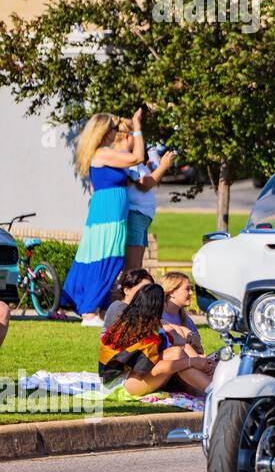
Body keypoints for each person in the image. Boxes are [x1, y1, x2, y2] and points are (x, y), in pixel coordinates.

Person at [62, 111, 145, 326]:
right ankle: (89, 311)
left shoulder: (105, 154)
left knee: (109, 260)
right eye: (114, 129)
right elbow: (137, 157)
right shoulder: (102, 154)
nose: (117, 133)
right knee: (104, 259)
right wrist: (136, 126)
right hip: (107, 217)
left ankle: (97, 309)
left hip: (112, 215)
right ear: (104, 132)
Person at [99, 283, 214, 397]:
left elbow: (179, 343)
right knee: (178, 358)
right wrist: (191, 362)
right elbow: (152, 370)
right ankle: (211, 390)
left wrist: (198, 359)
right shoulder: (141, 332)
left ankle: (208, 387)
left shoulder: (136, 320)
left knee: (179, 352)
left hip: (129, 375)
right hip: (120, 383)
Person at [123, 143, 176, 272]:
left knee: (136, 266)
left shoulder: (136, 161)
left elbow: (146, 181)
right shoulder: (127, 159)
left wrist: (150, 169)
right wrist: (163, 166)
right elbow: (144, 184)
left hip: (141, 217)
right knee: (133, 268)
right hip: (134, 215)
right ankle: (125, 291)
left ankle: (131, 290)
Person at [160, 271, 202, 352]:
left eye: (191, 289)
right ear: (172, 292)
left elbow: (198, 348)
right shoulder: (158, 317)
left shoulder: (186, 319)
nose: (191, 293)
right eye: (187, 289)